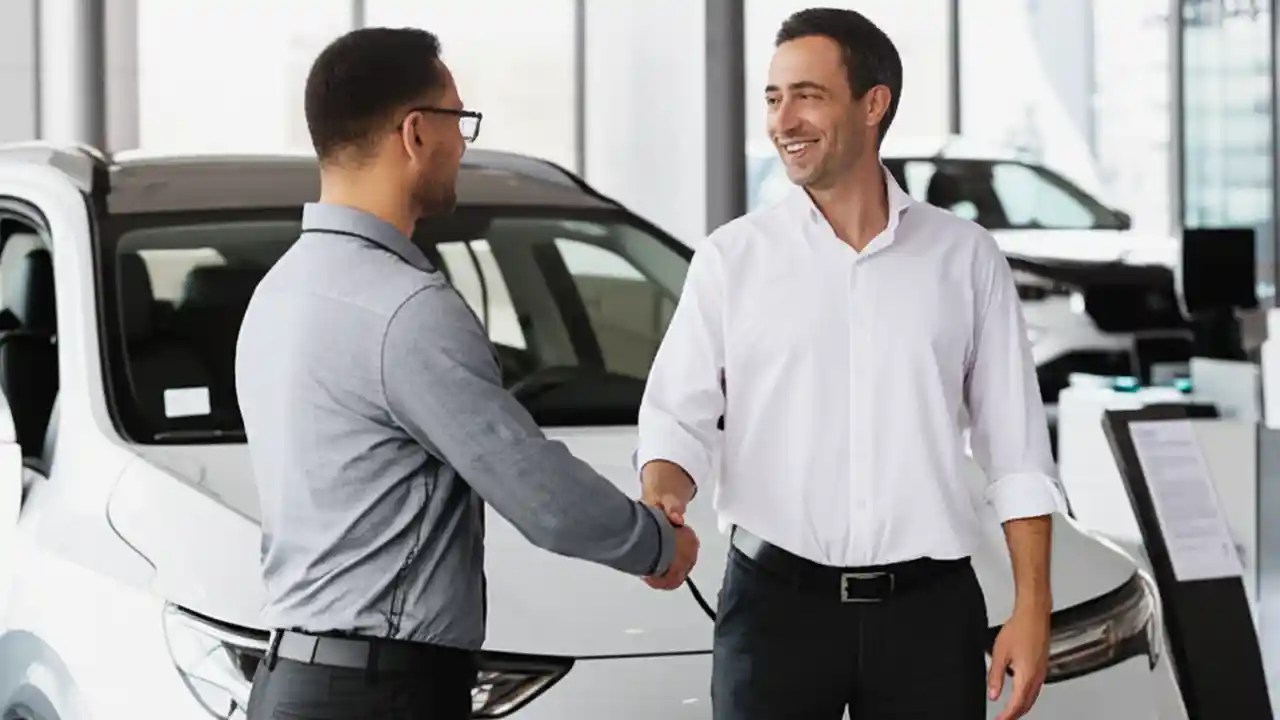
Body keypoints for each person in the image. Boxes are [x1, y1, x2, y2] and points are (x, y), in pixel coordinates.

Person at [236, 27, 698, 719]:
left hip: (293, 680)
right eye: (459, 119)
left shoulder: (277, 292)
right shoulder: (405, 306)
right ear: (416, 132)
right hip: (382, 694)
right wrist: (658, 543)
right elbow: (541, 497)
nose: (464, 143)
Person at [635, 8, 1065, 720]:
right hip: (775, 612)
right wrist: (664, 495)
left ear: (874, 104)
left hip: (929, 618)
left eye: (807, 94)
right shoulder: (732, 259)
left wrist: (1032, 608)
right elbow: (677, 418)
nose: (783, 120)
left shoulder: (964, 258)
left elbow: (1017, 452)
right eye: (773, 98)